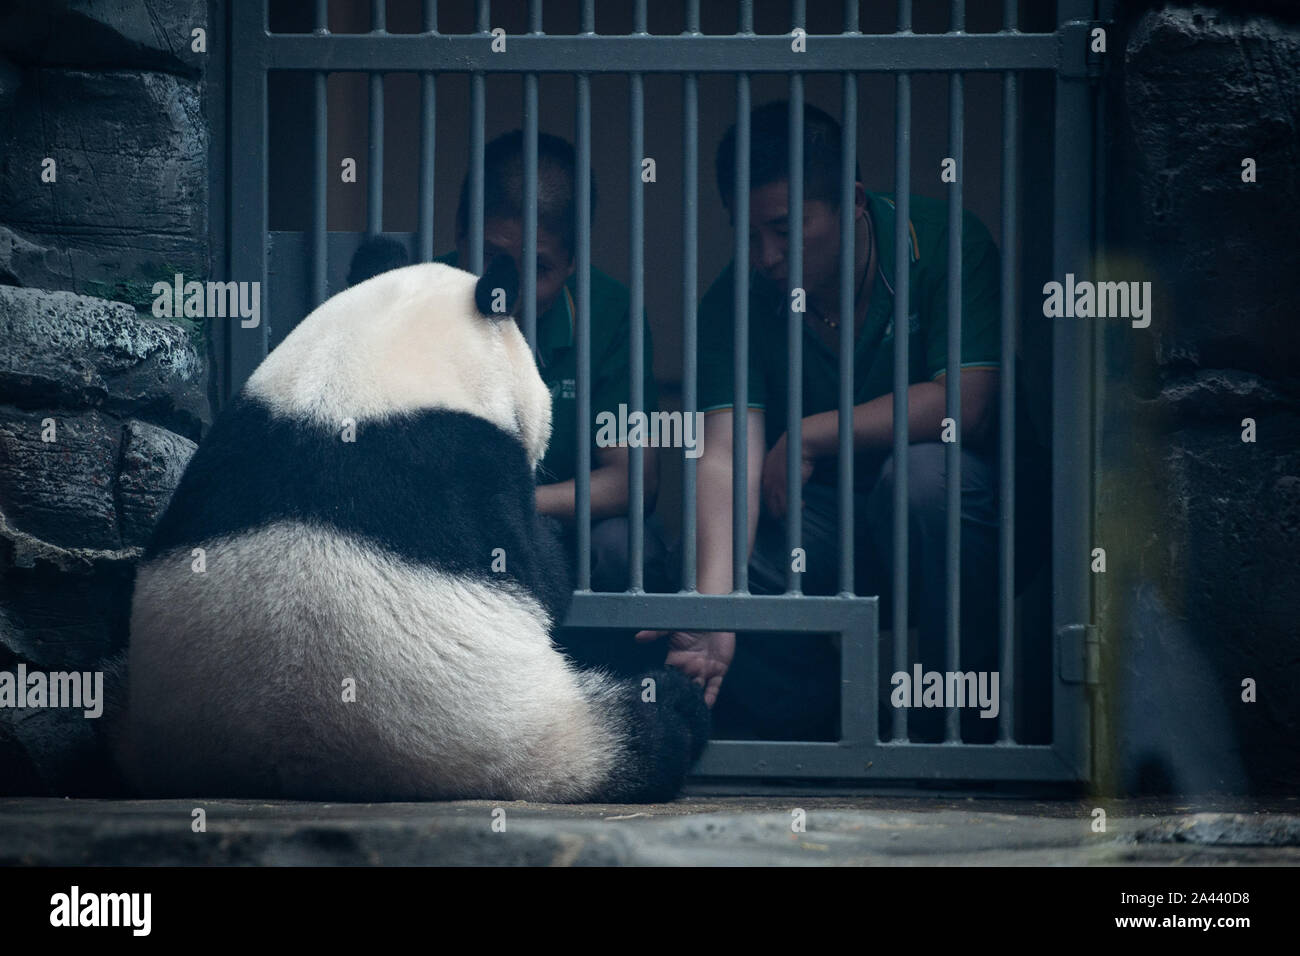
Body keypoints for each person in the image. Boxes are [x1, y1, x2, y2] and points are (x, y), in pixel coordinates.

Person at [637, 101, 1006, 743]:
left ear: (853, 201)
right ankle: (819, 750)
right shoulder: (736, 296)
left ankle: (961, 736)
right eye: (749, 234)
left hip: (963, 517)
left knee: (922, 478)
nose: (767, 256)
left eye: (786, 229)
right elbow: (726, 457)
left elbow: (966, 404)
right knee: (709, 564)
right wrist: (714, 611)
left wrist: (812, 431)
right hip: (831, 525)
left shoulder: (943, 240)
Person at [439, 130, 671, 673]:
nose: (508, 290)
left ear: (572, 264)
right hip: (450, 532)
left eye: (537, 269)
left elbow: (635, 479)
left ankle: (608, 720)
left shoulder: (610, 311)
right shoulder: (420, 297)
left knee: (625, 547)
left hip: (564, 535)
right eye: (491, 256)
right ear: (457, 235)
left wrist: (511, 503)